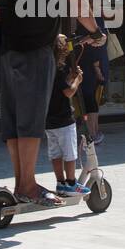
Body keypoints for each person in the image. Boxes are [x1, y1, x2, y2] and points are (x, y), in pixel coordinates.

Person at [0, 0, 105, 207]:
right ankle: (29, 186)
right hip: (34, 51)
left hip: (9, 49)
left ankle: (23, 183)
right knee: (32, 119)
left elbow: (24, 1)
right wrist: (95, 30)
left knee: (15, 120)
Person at [46, 34, 90, 197]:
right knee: (70, 153)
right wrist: (78, 80)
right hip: (63, 118)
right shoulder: (60, 67)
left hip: (49, 119)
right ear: (62, 48)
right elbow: (68, 91)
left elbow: (61, 85)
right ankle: (71, 183)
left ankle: (61, 183)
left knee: (55, 153)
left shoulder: (49, 67)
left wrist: (71, 77)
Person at [79, 15, 109, 144]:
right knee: (90, 99)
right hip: (88, 65)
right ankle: (93, 132)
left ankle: (92, 133)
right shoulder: (91, 18)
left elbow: (98, 45)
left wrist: (97, 68)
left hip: (89, 66)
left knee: (89, 99)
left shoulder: (93, 20)